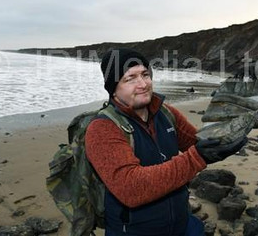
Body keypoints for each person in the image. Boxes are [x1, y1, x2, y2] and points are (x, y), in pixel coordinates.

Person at [85, 48, 247, 236]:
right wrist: (197, 158)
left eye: (145, 74)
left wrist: (236, 118)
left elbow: (199, 143)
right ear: (113, 88)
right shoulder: (102, 129)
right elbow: (131, 188)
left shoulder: (165, 113)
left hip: (181, 223)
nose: (143, 84)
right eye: (130, 78)